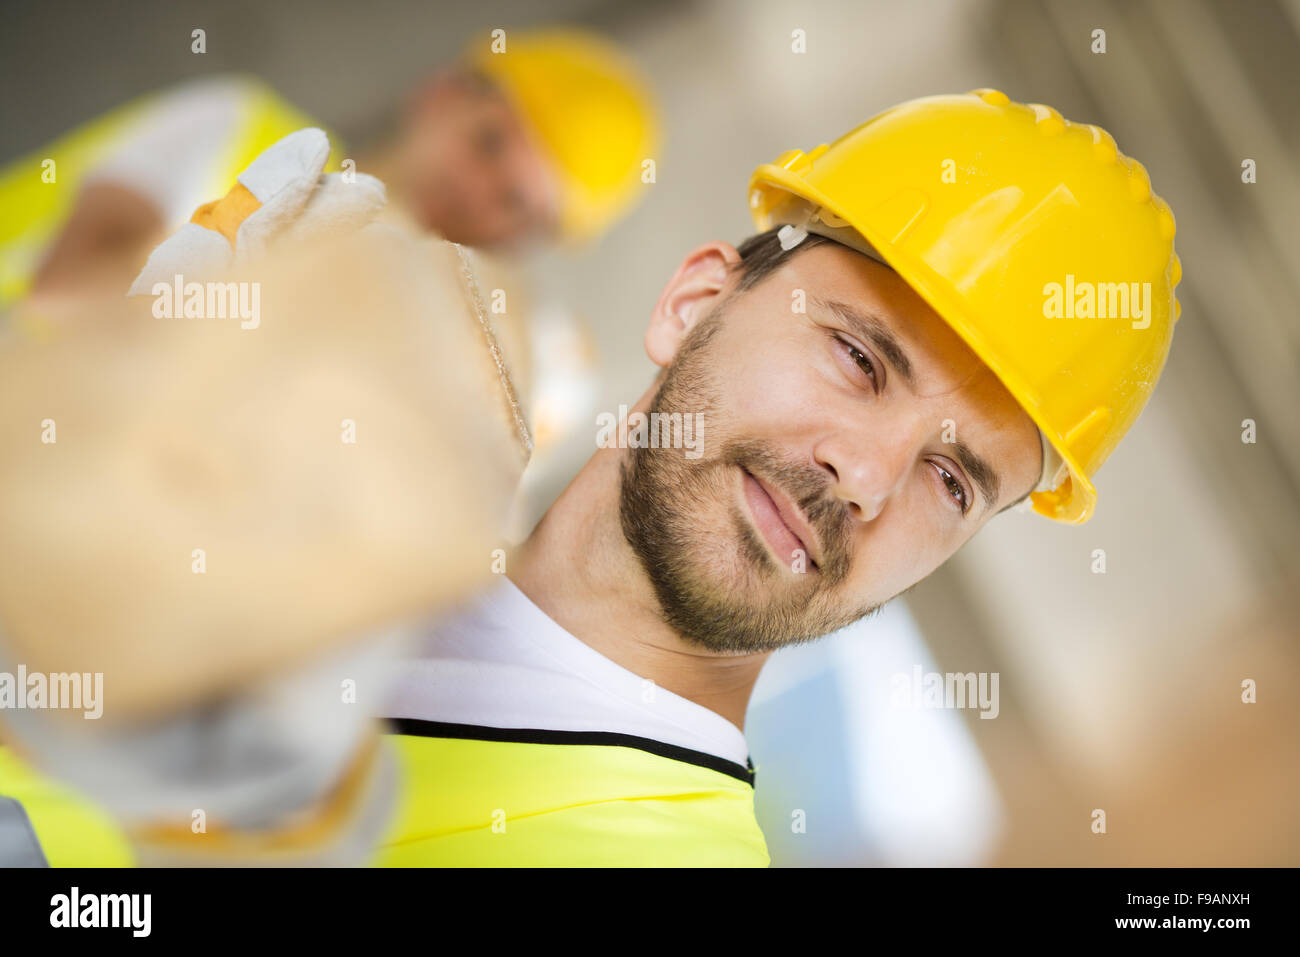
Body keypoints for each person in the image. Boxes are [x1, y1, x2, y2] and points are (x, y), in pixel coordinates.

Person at [0, 90, 1180, 867]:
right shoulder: (358, 549)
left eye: (954, 481)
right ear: (692, 300)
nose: (864, 478)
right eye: (859, 359)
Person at [0, 27, 658, 310]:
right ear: (440, 91)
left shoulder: (387, 339)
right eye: (488, 143)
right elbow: (65, 299)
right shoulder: (237, 125)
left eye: (516, 201)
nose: (478, 192)